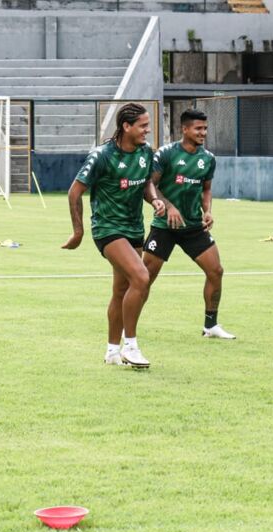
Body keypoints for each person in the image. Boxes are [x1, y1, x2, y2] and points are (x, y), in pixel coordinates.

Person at [62, 103, 165, 368]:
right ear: (126, 126)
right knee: (141, 277)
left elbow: (146, 185)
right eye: (143, 125)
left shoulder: (145, 154)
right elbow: (75, 192)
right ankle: (131, 346)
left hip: (134, 229)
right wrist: (78, 231)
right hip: (107, 229)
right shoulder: (102, 156)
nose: (147, 130)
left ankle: (111, 351)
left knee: (122, 290)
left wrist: (154, 200)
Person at [142, 109, 235, 340]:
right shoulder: (165, 154)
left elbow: (206, 189)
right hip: (164, 226)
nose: (203, 133)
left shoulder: (208, 159)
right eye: (198, 128)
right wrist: (168, 206)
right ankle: (126, 325)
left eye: (205, 128)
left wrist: (208, 211)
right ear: (184, 129)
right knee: (144, 278)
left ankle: (210, 326)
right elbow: (150, 186)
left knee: (216, 271)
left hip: (193, 227)